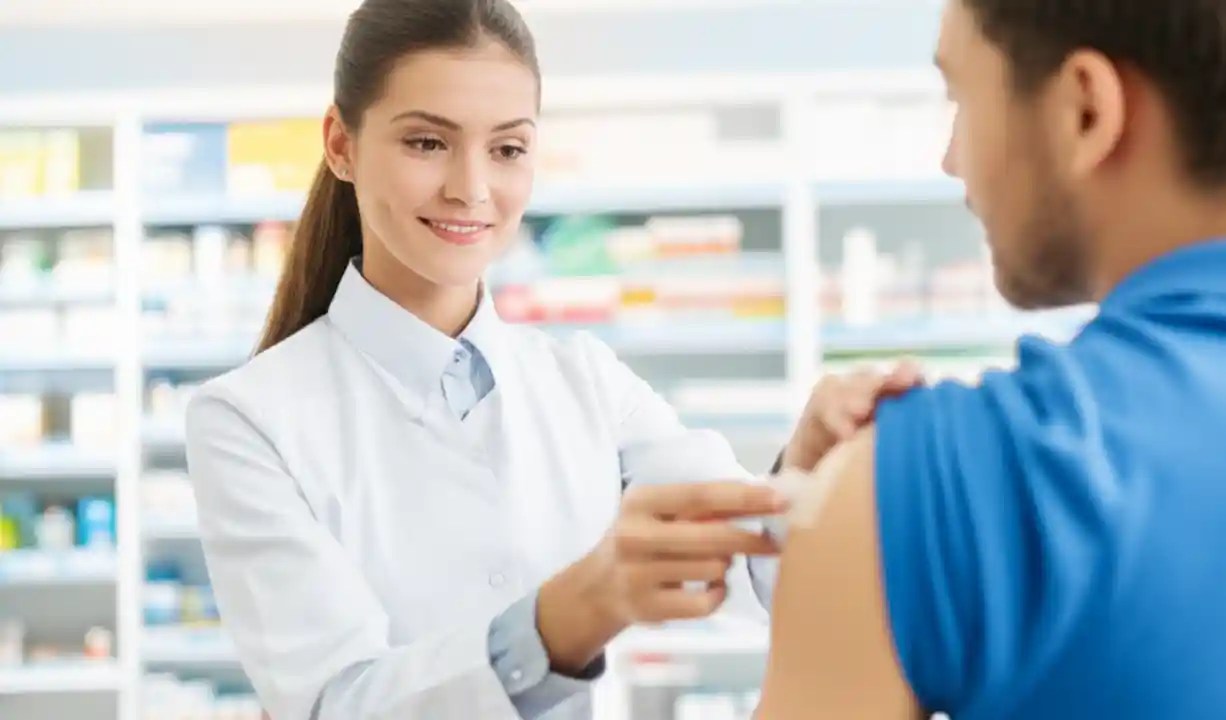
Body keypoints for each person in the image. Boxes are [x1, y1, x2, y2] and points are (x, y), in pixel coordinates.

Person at [183, 1, 919, 718]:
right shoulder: (248, 418)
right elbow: (335, 704)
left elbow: (752, 553)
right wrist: (565, 616)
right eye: (427, 143)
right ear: (341, 145)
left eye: (507, 149)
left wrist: (809, 479)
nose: (471, 187)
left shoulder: (587, 382)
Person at [756, 0, 1226, 718]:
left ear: (1085, 111)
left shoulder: (949, 481)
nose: (951, 158)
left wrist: (855, 513)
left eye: (961, 97)